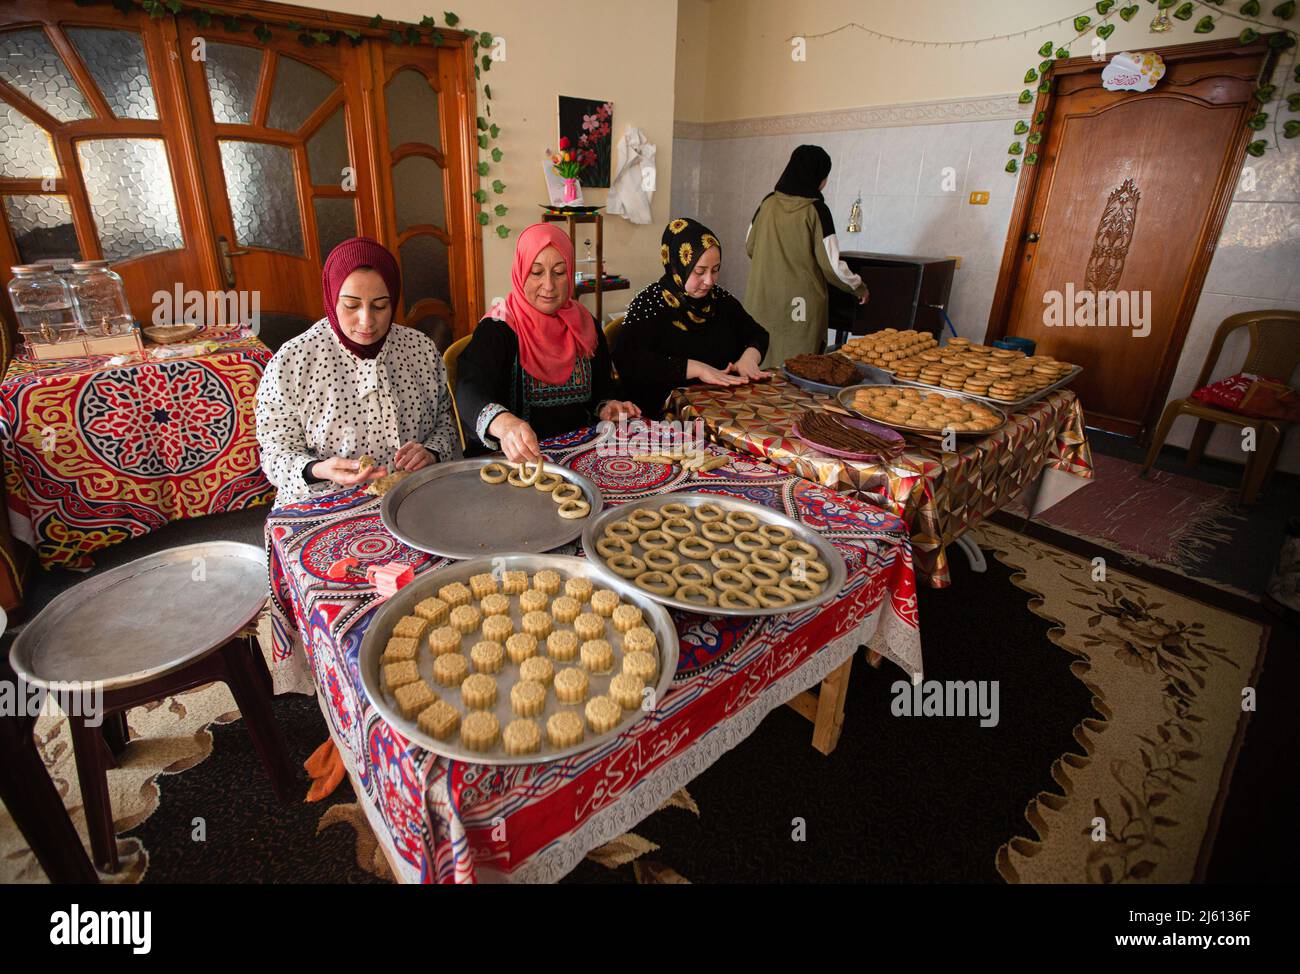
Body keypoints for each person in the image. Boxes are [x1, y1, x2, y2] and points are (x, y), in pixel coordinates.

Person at [255, 236, 460, 505]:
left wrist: (431, 452)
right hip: (325, 502)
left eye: (380, 305)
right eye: (351, 305)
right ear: (331, 297)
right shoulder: (293, 362)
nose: (366, 320)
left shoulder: (420, 349)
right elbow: (274, 453)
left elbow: (446, 423)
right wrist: (318, 469)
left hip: (412, 496)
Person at [455, 222, 639, 461]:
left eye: (560, 272)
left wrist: (607, 405)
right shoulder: (498, 328)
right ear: (521, 271)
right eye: (536, 272)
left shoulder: (585, 325)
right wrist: (503, 422)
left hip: (583, 454)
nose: (549, 286)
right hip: (519, 463)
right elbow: (470, 389)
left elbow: (602, 388)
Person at [612, 217, 770, 418]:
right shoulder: (649, 303)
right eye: (700, 271)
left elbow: (757, 333)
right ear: (678, 266)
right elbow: (628, 359)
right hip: (664, 417)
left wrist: (750, 357)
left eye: (715, 270)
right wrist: (695, 368)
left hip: (720, 410)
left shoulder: (719, 299)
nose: (709, 281)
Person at [744, 144, 868, 367]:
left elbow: (750, 246)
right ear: (819, 177)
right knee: (799, 368)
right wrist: (858, 286)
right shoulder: (816, 210)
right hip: (800, 307)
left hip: (763, 298)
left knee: (760, 360)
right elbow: (831, 265)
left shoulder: (768, 203)